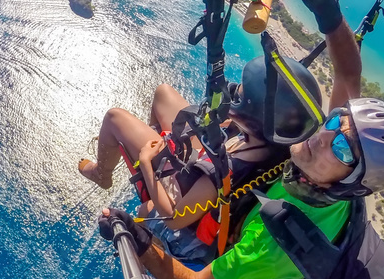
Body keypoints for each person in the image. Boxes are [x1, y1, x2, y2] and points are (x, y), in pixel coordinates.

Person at [98, 0, 384, 279]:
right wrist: (330, 14)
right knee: (170, 111)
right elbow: (348, 75)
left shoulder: (274, 242)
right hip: (242, 210)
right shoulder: (324, 159)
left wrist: (141, 242)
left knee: (153, 212)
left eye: (342, 147)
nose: (325, 137)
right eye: (336, 124)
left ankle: (135, 180)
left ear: (349, 181)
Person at [79, 23, 322, 264]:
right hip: (198, 168)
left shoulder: (221, 173)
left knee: (115, 117)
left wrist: (144, 162)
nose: (233, 92)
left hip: (182, 214)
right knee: (164, 93)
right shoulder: (273, 143)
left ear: (254, 117)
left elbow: (174, 218)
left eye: (239, 94)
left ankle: (102, 174)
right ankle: (153, 140)